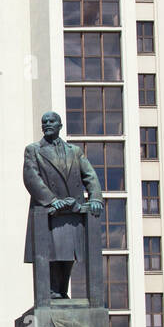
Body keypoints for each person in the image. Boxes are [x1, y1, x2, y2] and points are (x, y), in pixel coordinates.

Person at [22, 111, 103, 298]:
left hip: (72, 211)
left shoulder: (74, 151)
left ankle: (61, 292)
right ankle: (52, 292)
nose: (47, 124)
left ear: (60, 125)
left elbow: (90, 176)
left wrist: (95, 198)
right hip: (49, 211)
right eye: (44, 122)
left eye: (52, 121)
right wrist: (53, 200)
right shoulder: (33, 150)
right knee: (50, 254)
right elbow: (31, 177)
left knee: (68, 254)